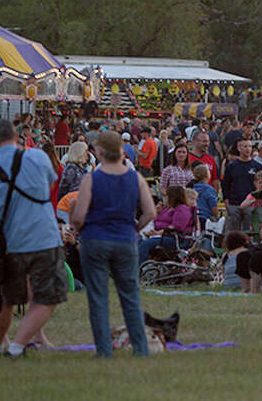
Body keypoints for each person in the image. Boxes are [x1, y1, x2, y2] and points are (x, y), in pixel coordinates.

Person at [0, 118, 68, 358]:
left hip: (9, 241)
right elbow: (50, 183)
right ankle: (18, 345)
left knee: (4, 298)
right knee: (47, 296)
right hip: (43, 236)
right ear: (17, 136)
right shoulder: (38, 157)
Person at [69, 131, 157, 358]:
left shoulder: (92, 179)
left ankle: (104, 351)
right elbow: (150, 212)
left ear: (99, 152)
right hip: (125, 239)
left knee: (98, 298)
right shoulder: (135, 177)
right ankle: (141, 348)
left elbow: (79, 216)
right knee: (130, 296)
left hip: (95, 239)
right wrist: (136, 228)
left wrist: (77, 229)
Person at [221, 138, 262, 234]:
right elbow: (225, 184)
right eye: (245, 146)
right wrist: (226, 201)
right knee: (234, 233)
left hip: (251, 204)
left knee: (249, 232)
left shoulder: (257, 166)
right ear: (239, 148)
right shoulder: (231, 166)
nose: (248, 149)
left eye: (249, 146)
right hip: (234, 204)